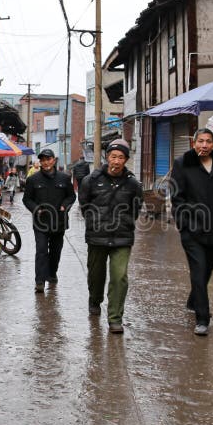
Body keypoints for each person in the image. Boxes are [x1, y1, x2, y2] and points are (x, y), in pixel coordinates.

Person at [170, 128, 213, 336]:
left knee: (207, 270)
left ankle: (194, 300)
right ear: (194, 144)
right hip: (192, 230)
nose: (204, 145)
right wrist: (184, 223)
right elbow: (176, 197)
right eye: (200, 141)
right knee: (199, 270)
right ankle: (202, 319)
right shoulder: (183, 163)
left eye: (208, 141)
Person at [78, 139, 142, 334]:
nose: (116, 161)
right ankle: (95, 299)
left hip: (122, 237)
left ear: (126, 160)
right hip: (97, 236)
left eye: (121, 157)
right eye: (113, 156)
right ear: (107, 158)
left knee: (119, 276)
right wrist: (94, 221)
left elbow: (136, 208)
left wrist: (125, 222)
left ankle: (115, 318)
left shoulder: (133, 184)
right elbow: (84, 204)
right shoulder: (91, 180)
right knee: (96, 274)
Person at [23, 148, 76, 293]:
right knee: (41, 251)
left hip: (59, 221)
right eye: (43, 160)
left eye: (48, 159)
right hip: (41, 222)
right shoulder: (33, 180)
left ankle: (52, 274)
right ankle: (39, 281)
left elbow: (71, 196)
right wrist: (36, 209)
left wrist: (65, 206)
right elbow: (27, 199)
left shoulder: (64, 178)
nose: (45, 162)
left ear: (54, 160)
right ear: (40, 162)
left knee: (55, 251)